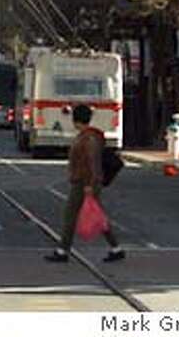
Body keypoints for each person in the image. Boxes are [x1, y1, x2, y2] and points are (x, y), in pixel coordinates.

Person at [46, 104, 126, 264]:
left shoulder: (88, 138)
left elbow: (92, 162)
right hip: (85, 181)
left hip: (84, 182)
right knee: (97, 215)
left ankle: (63, 251)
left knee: (70, 215)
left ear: (76, 120)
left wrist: (90, 184)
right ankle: (116, 248)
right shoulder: (89, 136)